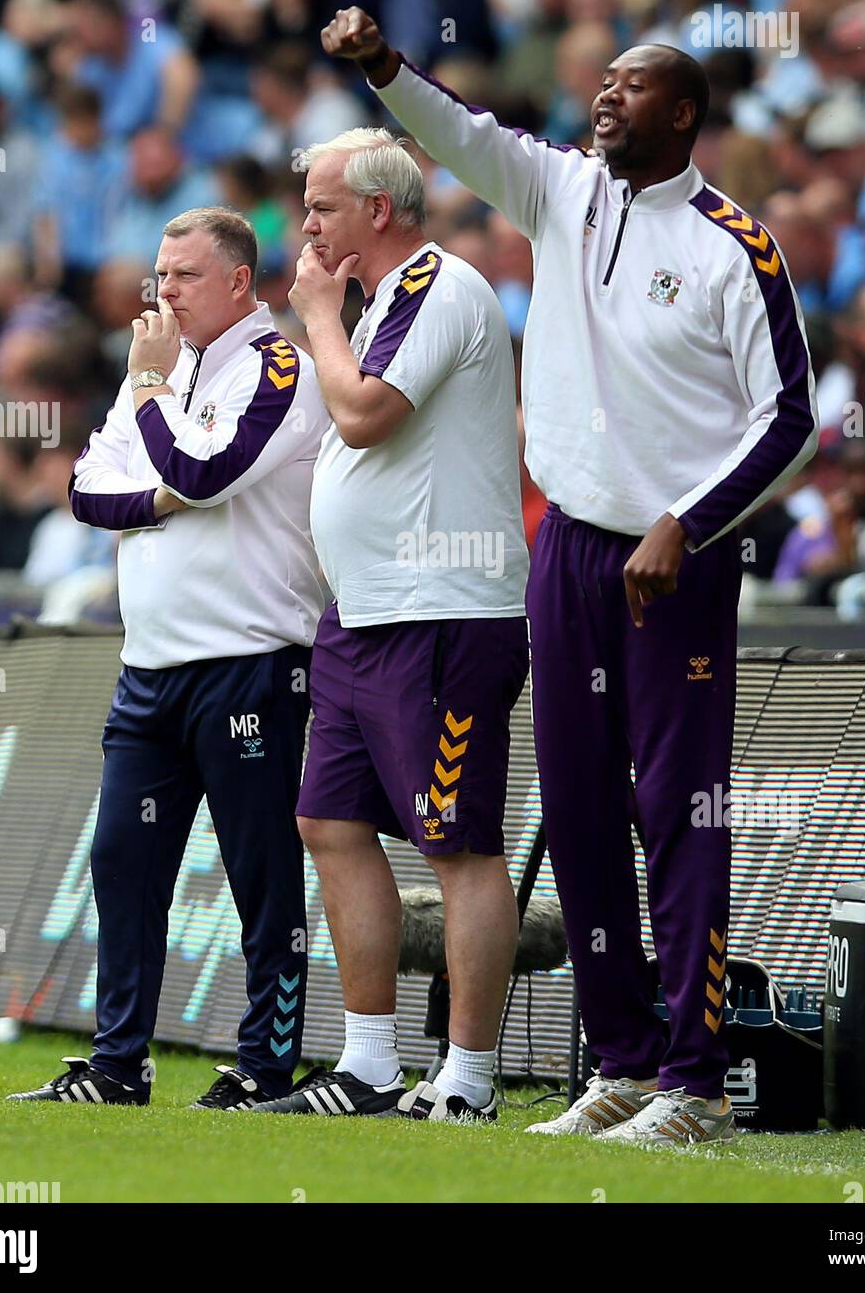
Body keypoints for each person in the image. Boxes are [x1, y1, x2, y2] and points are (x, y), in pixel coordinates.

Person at [321, 8, 818, 1145]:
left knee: (678, 809)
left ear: (681, 113)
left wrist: (684, 524)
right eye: (600, 81)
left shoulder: (732, 247)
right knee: (582, 808)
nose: (603, 97)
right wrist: (380, 63)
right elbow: (456, 134)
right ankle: (624, 1061)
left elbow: (788, 418)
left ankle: (694, 1086)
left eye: (630, 87)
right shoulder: (561, 190)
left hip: (671, 560)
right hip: (570, 551)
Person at [8, 207, 330, 1108]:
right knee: (123, 863)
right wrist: (158, 493)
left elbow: (207, 474)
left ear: (238, 282)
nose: (164, 294)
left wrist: (153, 417)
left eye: (184, 276)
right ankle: (118, 1064)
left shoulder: (281, 371)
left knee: (259, 873)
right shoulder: (164, 369)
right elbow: (84, 487)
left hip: (250, 660)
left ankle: (265, 1066)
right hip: (148, 667)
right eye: (158, 275)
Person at [254, 128, 530, 1124]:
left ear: (379, 209)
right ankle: (368, 1062)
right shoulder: (382, 307)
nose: (306, 227)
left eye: (321, 207)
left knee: (456, 845)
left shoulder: (440, 287)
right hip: (365, 614)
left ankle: (467, 1075)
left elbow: (366, 415)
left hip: (443, 612)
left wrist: (319, 318)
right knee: (327, 823)